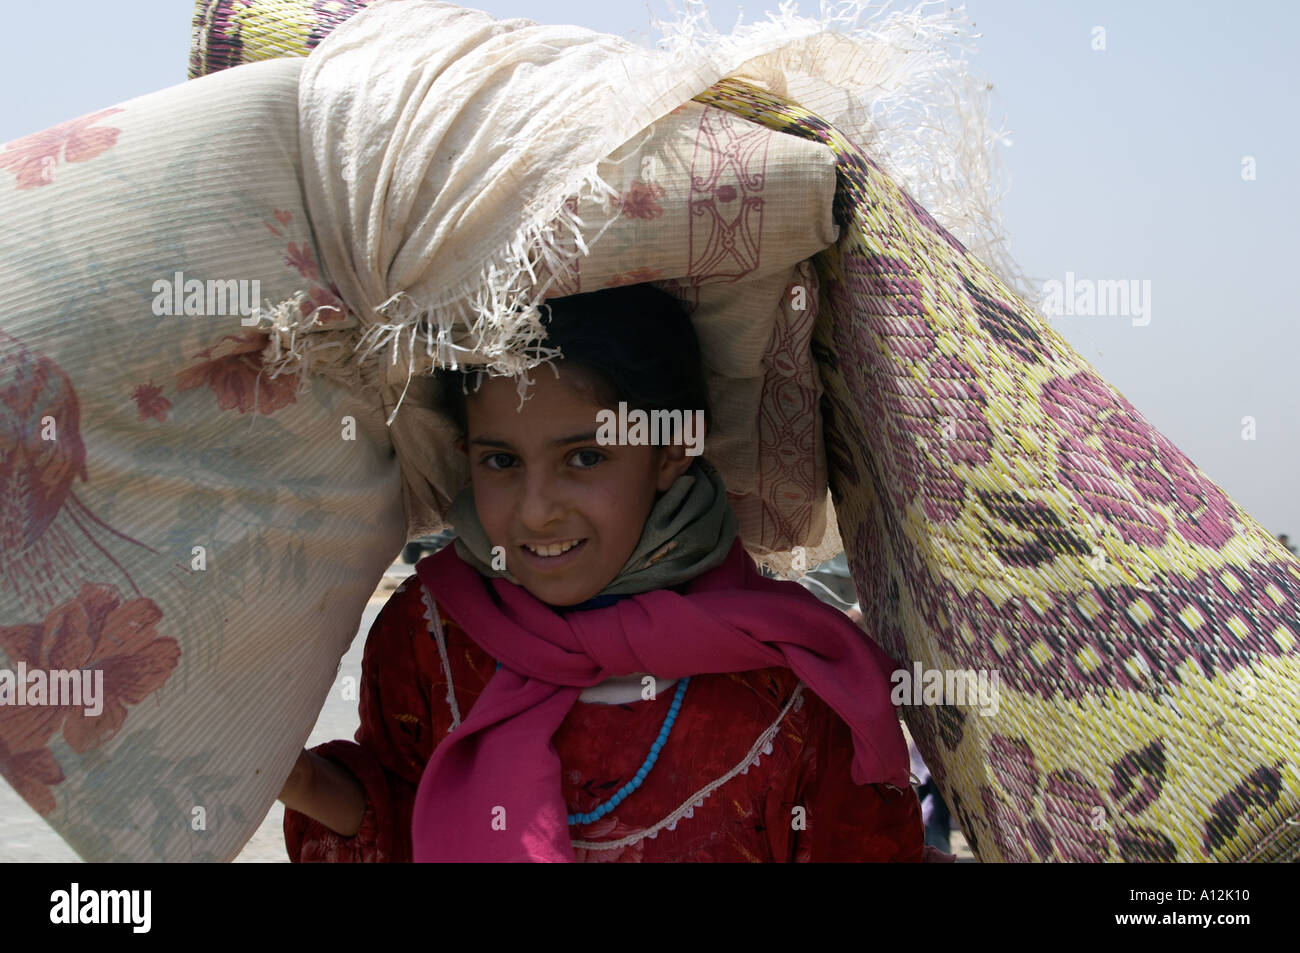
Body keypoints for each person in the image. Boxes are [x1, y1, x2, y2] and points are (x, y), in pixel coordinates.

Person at [277, 283, 936, 862]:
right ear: (463, 454)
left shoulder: (795, 681)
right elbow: (407, 822)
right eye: (501, 461)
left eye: (585, 457)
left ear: (673, 450)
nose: (535, 512)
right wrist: (302, 782)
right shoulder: (427, 637)